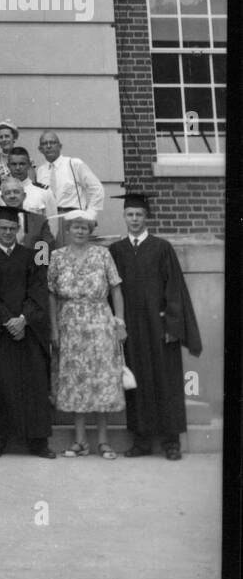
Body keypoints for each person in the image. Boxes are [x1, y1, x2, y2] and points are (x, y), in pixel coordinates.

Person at [108, 193, 202, 460]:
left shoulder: (162, 247)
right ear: (124, 217)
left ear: (146, 217)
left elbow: (175, 289)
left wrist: (173, 324)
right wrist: (116, 324)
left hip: (160, 325)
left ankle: (171, 441)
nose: (135, 219)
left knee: (166, 380)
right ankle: (142, 440)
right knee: (137, 380)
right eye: (130, 214)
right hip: (132, 327)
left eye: (139, 214)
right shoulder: (116, 250)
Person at [0, 206, 55, 458]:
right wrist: (8, 320)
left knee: (35, 385)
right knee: (0, 385)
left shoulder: (33, 256)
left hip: (28, 331)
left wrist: (24, 319)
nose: (8, 232)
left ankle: (38, 441)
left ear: (19, 230)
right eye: (3, 228)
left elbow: (39, 290)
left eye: (12, 228)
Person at [48, 210, 127, 459]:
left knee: (101, 381)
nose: (80, 231)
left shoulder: (103, 254)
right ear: (68, 230)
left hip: (100, 322)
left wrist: (119, 323)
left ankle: (103, 441)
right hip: (69, 324)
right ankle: (80, 441)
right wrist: (53, 329)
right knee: (75, 382)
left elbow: (116, 289)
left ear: (90, 230)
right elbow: (50, 293)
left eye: (84, 227)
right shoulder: (57, 256)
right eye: (75, 227)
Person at [35, 131, 105, 221]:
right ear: (40, 149)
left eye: (52, 142)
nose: (48, 146)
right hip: (49, 220)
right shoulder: (40, 171)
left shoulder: (74, 164)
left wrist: (90, 214)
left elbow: (97, 188)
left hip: (73, 218)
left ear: (60, 146)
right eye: (44, 144)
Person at [0, 147, 58, 225]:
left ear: (29, 165)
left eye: (22, 164)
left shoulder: (44, 192)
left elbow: (53, 223)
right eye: (14, 164)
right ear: (8, 166)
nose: (18, 168)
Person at [0, 179, 55, 252]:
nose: (12, 196)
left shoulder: (39, 221)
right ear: (2, 198)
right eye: (8, 193)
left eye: (16, 192)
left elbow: (49, 249)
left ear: (24, 196)